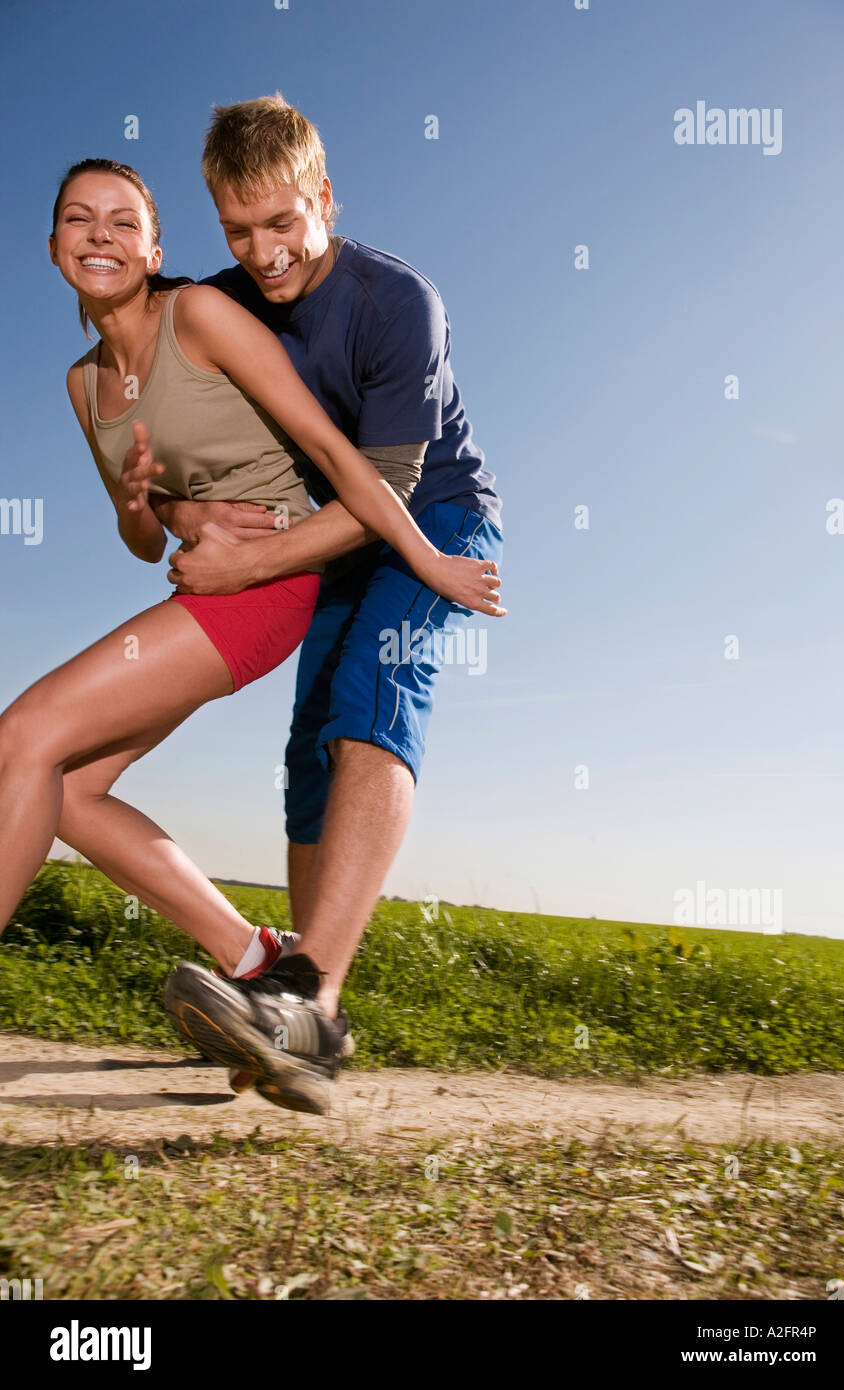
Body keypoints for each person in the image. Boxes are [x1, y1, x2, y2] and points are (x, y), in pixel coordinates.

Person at [0, 159, 502, 1021]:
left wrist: (424, 558)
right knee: (66, 789)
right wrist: (152, 504)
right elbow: (144, 534)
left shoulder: (209, 311)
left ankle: (311, 996)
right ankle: (256, 955)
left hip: (307, 560)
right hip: (221, 581)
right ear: (51, 249)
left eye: (124, 222)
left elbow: (349, 459)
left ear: (156, 249)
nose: (100, 236)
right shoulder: (85, 385)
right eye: (79, 221)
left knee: (23, 736)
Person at [160, 96, 504, 1116]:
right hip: (333, 545)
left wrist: (238, 572)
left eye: (280, 222)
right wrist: (187, 510)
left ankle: (310, 991)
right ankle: (293, 1020)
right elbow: (182, 459)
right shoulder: (220, 307)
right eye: (236, 229)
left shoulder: (398, 301)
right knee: (307, 750)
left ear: (323, 198)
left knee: (370, 695)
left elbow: (383, 495)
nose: (261, 252)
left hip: (431, 522)